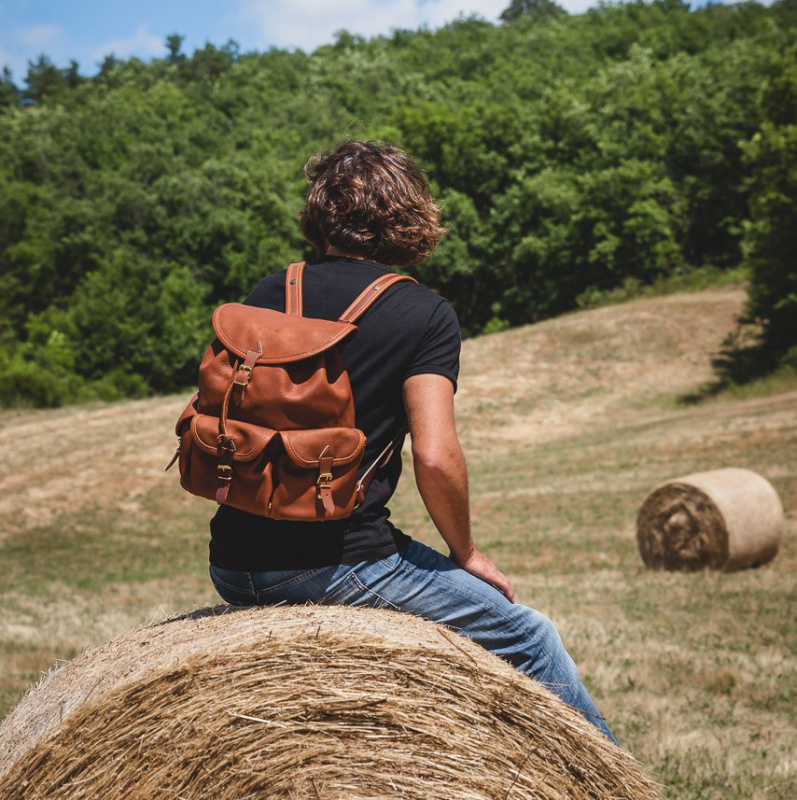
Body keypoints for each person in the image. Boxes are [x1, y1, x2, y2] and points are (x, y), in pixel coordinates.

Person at [208, 139, 618, 744]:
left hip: (233, 562)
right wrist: (468, 552)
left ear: (319, 213)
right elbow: (434, 452)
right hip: (336, 565)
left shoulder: (268, 292)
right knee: (530, 636)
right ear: (408, 217)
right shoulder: (423, 312)